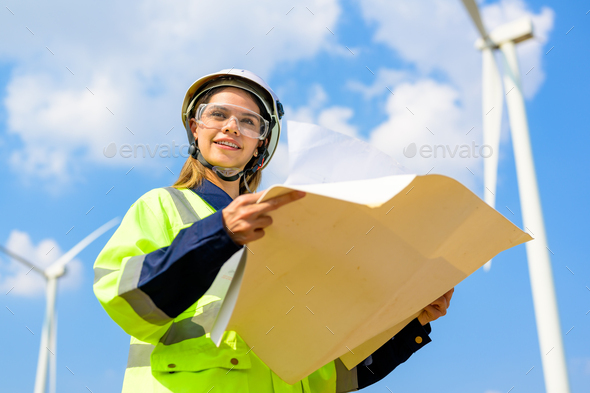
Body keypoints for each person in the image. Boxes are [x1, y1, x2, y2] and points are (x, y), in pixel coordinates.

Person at [93, 69, 454, 393]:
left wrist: (413, 322)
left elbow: (332, 374)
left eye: (249, 122)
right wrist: (220, 236)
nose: (232, 127)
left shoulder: (291, 232)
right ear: (195, 127)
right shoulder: (161, 206)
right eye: (218, 114)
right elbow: (126, 300)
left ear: (261, 143)